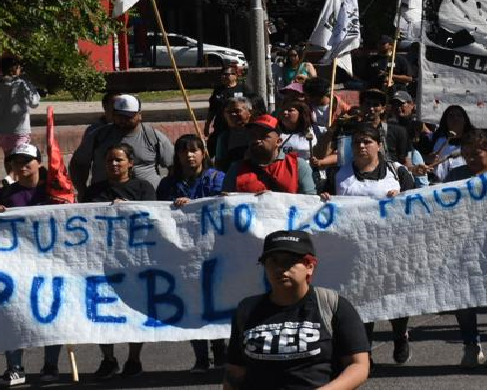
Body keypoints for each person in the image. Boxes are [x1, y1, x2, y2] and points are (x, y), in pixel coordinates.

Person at [225, 230, 370, 389]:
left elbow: (359, 365)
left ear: (310, 266)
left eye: (290, 261)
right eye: (273, 261)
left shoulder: (332, 305)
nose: (280, 268)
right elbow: (235, 372)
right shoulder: (246, 310)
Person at [318, 125, 414, 363]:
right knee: (361, 301)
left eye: (367, 142)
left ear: (379, 145)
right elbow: (321, 205)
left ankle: (400, 334)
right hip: (353, 249)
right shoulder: (338, 175)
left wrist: (401, 198)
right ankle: (364, 351)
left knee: (394, 295)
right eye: (357, 143)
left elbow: (417, 203)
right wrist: (324, 199)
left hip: (391, 247)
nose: (362, 146)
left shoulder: (397, 172)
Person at [0, 144, 65, 386]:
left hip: (50, 263)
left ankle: (50, 365)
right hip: (16, 265)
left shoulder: (55, 189)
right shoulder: (6, 194)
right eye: (17, 161)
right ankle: (15, 368)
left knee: (52, 314)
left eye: (27, 161)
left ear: (39, 163)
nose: (22, 166)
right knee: (13, 314)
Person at [81, 143, 156, 380]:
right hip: (102, 261)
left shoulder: (143, 188)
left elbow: (154, 216)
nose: (114, 164)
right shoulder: (94, 191)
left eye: (119, 160)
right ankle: (108, 359)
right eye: (110, 160)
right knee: (103, 312)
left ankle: (134, 359)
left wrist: (130, 208)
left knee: (135, 310)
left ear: (130, 163)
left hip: (135, 261)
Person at [441, 130, 487, 367]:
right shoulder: (456, 175)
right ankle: (471, 345)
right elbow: (440, 206)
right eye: (466, 155)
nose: (471, 159)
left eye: (476, 154)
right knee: (464, 299)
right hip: (463, 246)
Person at [156, 134, 228, 373]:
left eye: (195, 150)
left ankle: (220, 352)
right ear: (176, 156)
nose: (189, 155)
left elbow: (222, 206)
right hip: (182, 254)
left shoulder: (217, 178)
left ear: (203, 153)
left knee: (214, 303)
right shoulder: (167, 184)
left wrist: (197, 204)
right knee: (191, 304)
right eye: (184, 151)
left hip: (214, 251)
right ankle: (200, 358)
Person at [69, 93, 173, 189]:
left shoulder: (153, 137)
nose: (123, 120)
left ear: (139, 115)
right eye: (119, 116)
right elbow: (78, 164)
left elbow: (175, 166)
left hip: (146, 201)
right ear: (113, 115)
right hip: (105, 199)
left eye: (128, 116)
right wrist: (82, 190)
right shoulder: (98, 136)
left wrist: (169, 190)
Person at [224, 115, 316, 195]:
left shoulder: (298, 166)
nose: (257, 140)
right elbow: (225, 205)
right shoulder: (236, 169)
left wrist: (273, 200)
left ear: (279, 142)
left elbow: (309, 202)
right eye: (253, 135)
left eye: (264, 136)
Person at [0, 56, 42, 155]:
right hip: (19, 129)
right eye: (19, 67)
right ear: (16, 68)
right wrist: (36, 92)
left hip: (0, 130)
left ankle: (9, 170)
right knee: (19, 158)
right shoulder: (24, 84)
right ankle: (13, 171)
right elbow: (35, 103)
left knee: (8, 155)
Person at [422, 105, 473, 182]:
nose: (455, 119)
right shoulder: (434, 139)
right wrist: (428, 159)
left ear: (465, 120)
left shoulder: (473, 141)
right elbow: (417, 158)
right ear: (445, 120)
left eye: (459, 115)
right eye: (451, 116)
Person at [206, 66, 245, 138]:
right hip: (220, 127)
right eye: (222, 74)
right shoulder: (218, 90)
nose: (223, 76)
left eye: (226, 74)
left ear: (235, 76)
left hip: (238, 127)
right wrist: (207, 124)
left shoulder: (243, 89)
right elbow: (212, 109)